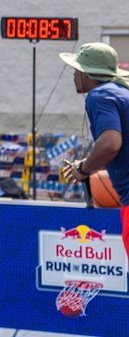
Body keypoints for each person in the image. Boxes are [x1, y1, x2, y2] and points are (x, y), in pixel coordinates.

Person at [59, 42, 129, 255]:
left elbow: (110, 143)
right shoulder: (122, 92)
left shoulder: (99, 96)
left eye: (76, 70)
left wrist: (83, 170)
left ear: (86, 74)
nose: (74, 75)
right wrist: (90, 163)